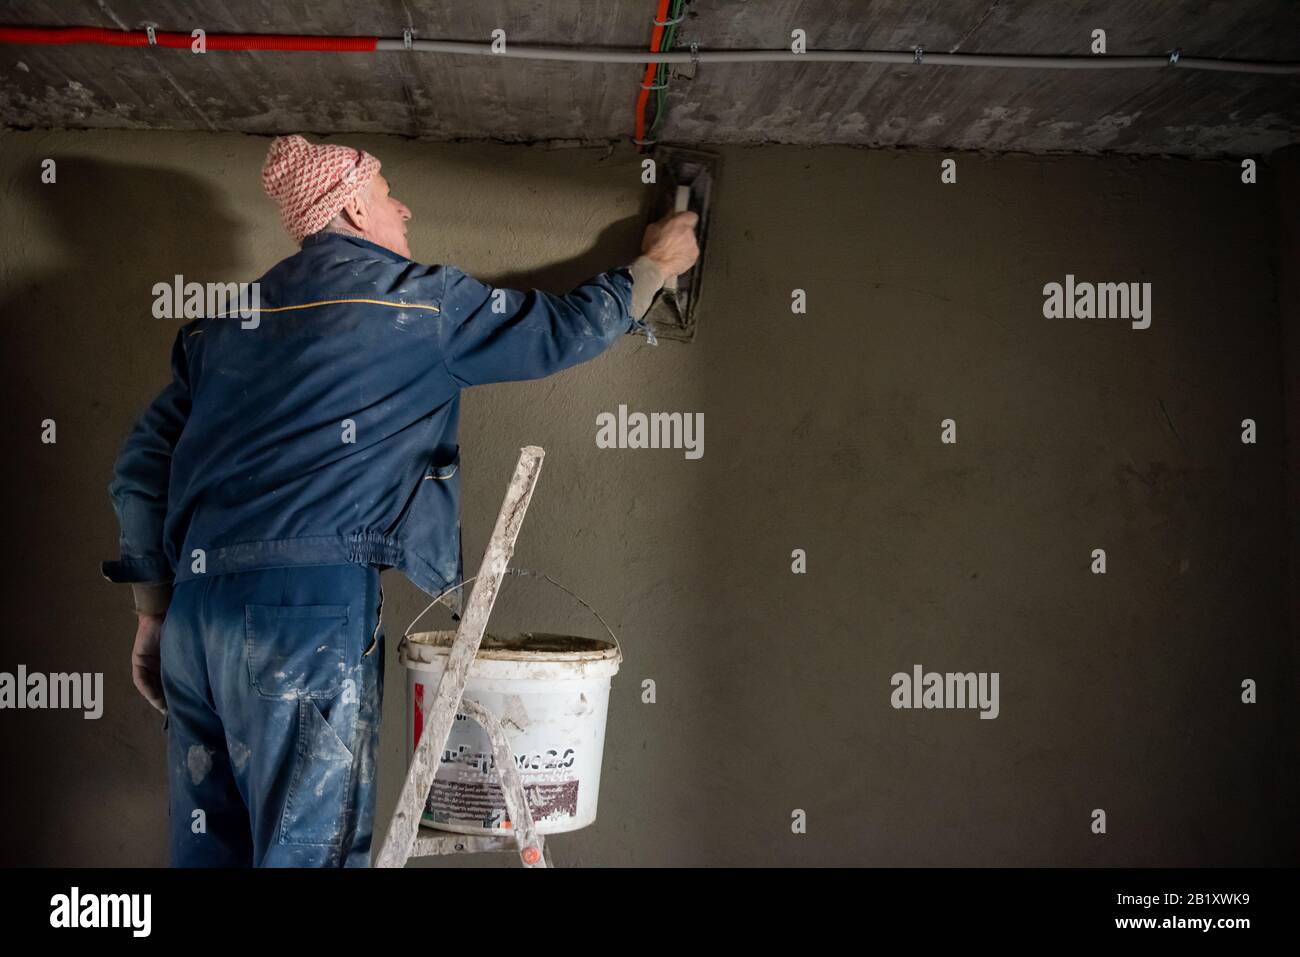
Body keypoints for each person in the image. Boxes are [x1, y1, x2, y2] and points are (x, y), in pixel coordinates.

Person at [101, 134, 700, 866]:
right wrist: (655, 267)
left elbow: (139, 466)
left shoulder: (221, 328)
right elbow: (559, 331)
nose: (404, 207)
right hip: (304, 615)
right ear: (353, 206)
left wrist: (153, 610)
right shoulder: (417, 302)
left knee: (209, 851)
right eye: (388, 193)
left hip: (195, 621)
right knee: (307, 854)